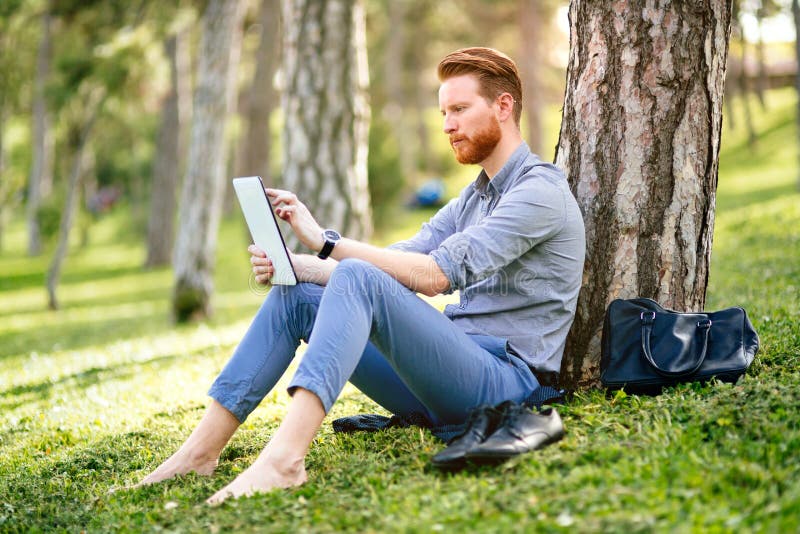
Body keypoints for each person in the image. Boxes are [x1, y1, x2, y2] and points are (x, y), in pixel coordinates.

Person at [138, 47, 585, 504]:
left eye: (459, 109)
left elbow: (432, 276)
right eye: (444, 112)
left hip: (503, 386)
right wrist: (298, 267)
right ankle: (199, 452)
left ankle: (285, 460)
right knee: (298, 296)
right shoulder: (472, 200)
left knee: (353, 274)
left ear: (504, 106)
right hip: (443, 377)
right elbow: (394, 261)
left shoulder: (539, 192)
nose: (448, 124)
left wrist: (326, 244)